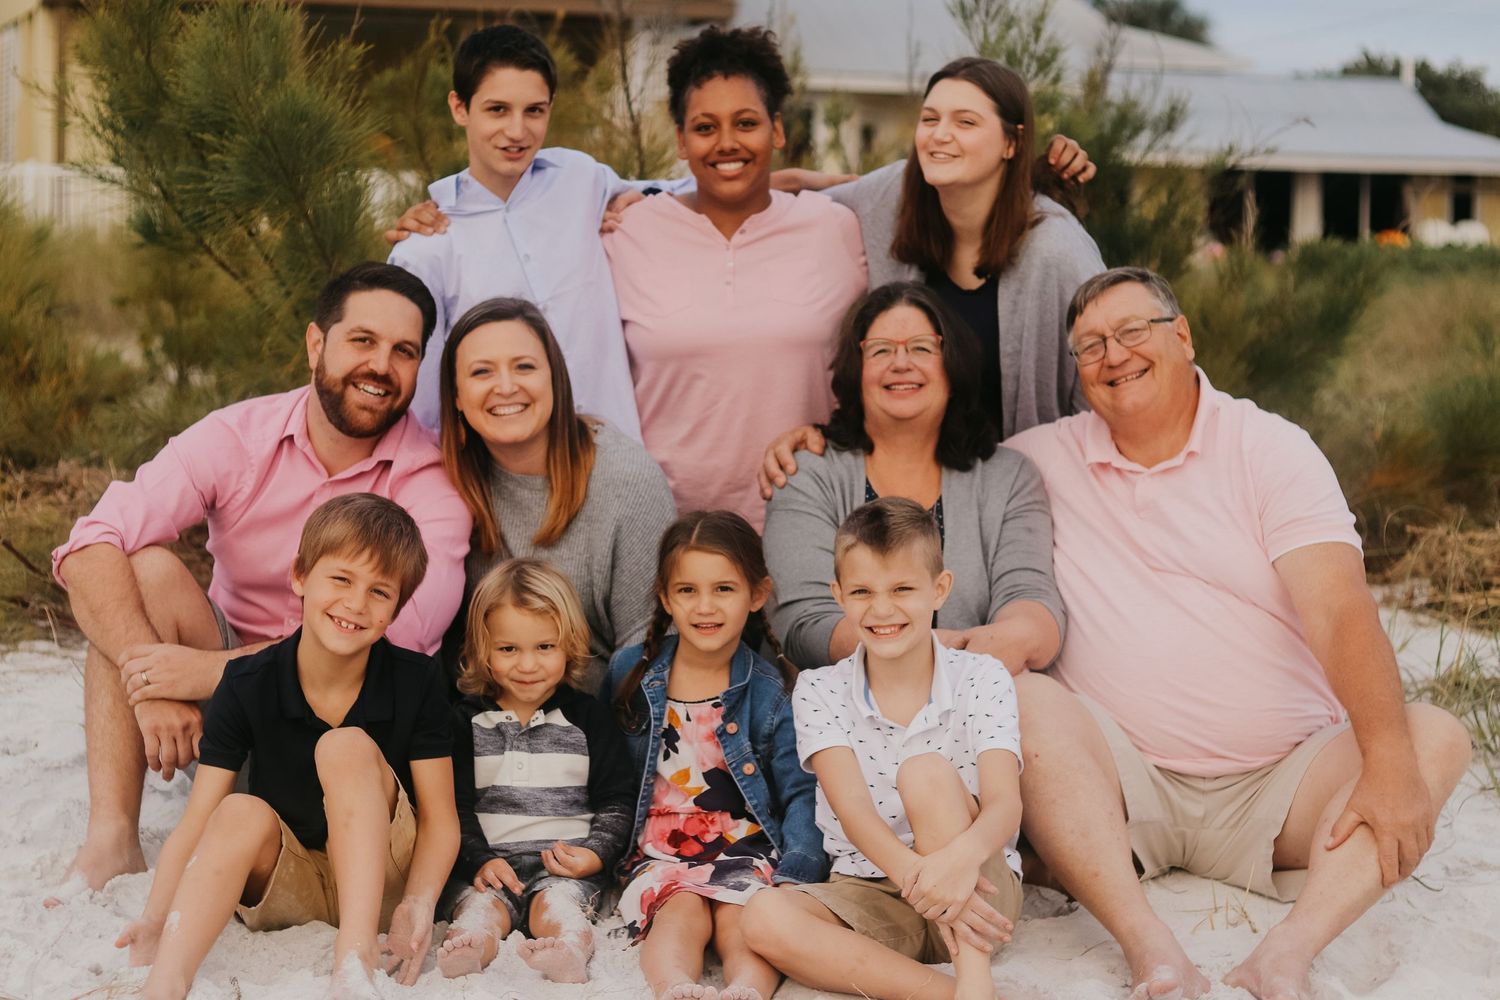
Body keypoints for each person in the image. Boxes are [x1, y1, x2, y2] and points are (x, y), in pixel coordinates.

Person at [1000, 267, 1472, 1000]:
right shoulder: (1036, 459)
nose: (1113, 355)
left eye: (1132, 332)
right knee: (1022, 698)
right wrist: (817, 440)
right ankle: (1148, 946)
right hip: (1124, 789)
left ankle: (1287, 953)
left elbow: (1341, 609)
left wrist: (1386, 763)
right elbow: (928, 474)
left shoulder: (1269, 447)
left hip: (1281, 786)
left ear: (1182, 335)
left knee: (1433, 736)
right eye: (1089, 345)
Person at [48, 262, 471, 904]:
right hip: (232, 728)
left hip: (352, 745)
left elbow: (388, 642)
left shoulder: (433, 486)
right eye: (362, 340)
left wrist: (195, 674)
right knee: (143, 570)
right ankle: (112, 834)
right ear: (315, 343)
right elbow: (90, 542)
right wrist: (151, 683)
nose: (381, 365)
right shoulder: (238, 437)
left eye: (404, 352)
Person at [113, 494, 460, 1000]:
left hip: (381, 881)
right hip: (289, 885)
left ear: (395, 610)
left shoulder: (417, 680)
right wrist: (154, 916)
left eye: (379, 592)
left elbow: (440, 818)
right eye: (340, 579)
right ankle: (166, 982)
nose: (355, 604)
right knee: (235, 811)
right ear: (300, 575)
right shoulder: (247, 680)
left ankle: (353, 963)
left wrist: (420, 902)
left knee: (343, 748)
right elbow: (198, 821)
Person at [759, 57, 1105, 496]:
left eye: (965, 122)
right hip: (907, 495)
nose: (940, 134)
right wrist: (655, 198)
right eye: (930, 119)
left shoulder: (1057, 251)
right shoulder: (892, 198)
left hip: (1027, 498)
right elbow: (778, 190)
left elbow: (1103, 389)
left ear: (1011, 144)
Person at [741, 497, 1025, 1000]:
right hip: (872, 887)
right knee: (764, 916)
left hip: (976, 883)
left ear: (939, 589)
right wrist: (920, 881)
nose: (882, 609)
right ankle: (944, 993)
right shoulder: (818, 689)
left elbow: (1005, 804)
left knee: (924, 772)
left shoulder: (981, 675)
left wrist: (956, 864)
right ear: (839, 595)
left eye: (902, 589)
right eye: (862, 592)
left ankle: (976, 980)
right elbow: (853, 813)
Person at [601, 25, 869, 529]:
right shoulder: (624, 233)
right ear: (680, 139)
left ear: (778, 129)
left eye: (746, 123)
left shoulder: (837, 228)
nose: (727, 144)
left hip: (812, 527)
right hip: (664, 534)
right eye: (705, 128)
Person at [386, 24, 682, 437]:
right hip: (507, 475)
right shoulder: (428, 247)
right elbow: (422, 408)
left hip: (616, 457)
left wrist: (795, 181)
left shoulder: (581, 179)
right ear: (459, 108)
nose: (517, 131)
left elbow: (702, 186)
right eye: (497, 110)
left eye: (534, 111)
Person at [762, 282, 1064, 672]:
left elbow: (1030, 599)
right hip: (842, 709)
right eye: (881, 349)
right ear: (858, 370)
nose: (901, 362)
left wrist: (1007, 642)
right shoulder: (807, 475)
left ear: (952, 364)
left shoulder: (1008, 477)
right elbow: (803, 625)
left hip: (981, 701)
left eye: (921, 347)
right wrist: (943, 653)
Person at [602, 510, 825, 1000]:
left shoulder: (773, 691)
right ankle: (675, 987)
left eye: (724, 589)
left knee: (741, 915)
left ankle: (746, 988)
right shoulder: (629, 674)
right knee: (678, 910)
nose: (705, 606)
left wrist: (796, 873)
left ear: (757, 594)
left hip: (746, 846)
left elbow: (801, 793)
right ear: (665, 597)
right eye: (687, 590)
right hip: (657, 851)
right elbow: (603, 769)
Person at [440, 296, 676, 691]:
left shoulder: (625, 480)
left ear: (555, 378)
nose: (506, 386)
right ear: (458, 397)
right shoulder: (444, 484)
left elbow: (649, 651)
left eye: (524, 367)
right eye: (482, 372)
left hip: (604, 724)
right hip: (479, 726)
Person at [437, 558, 635, 983]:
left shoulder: (589, 719)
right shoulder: (465, 723)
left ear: (569, 644)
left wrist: (595, 854)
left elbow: (617, 799)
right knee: (479, 907)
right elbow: (453, 806)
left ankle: (568, 947)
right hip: (491, 868)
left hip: (562, 868)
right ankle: (473, 946)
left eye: (544, 647)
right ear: (480, 650)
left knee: (560, 906)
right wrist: (479, 861)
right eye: (508, 649)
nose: (527, 665)